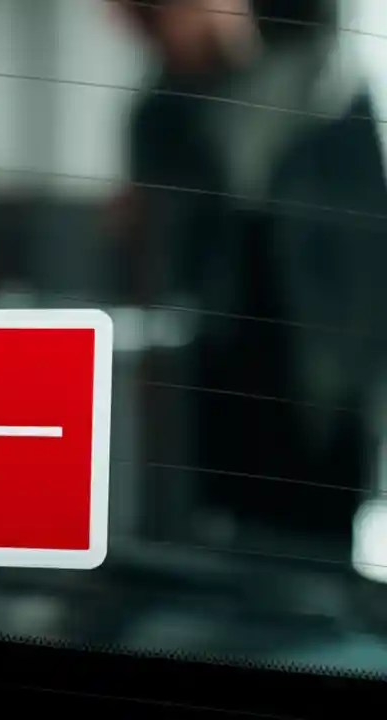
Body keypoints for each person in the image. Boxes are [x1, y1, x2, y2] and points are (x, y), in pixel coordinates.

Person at [113, 0, 387, 553]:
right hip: (217, 383)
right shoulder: (164, 112)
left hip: (321, 395)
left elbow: (360, 270)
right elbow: (160, 254)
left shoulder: (325, 90)